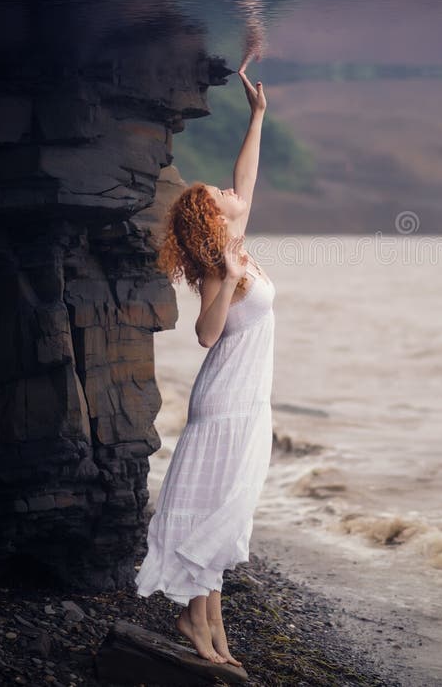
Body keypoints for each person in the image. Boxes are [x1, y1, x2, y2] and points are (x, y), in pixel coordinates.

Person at [135, 50, 273, 667]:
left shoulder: (236, 243)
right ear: (213, 221)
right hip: (224, 402)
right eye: (218, 194)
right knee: (219, 509)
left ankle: (212, 626)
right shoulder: (223, 265)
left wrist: (258, 114)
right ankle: (198, 624)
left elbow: (247, 176)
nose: (228, 190)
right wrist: (222, 272)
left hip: (248, 400)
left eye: (223, 189)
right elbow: (205, 335)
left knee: (229, 509)